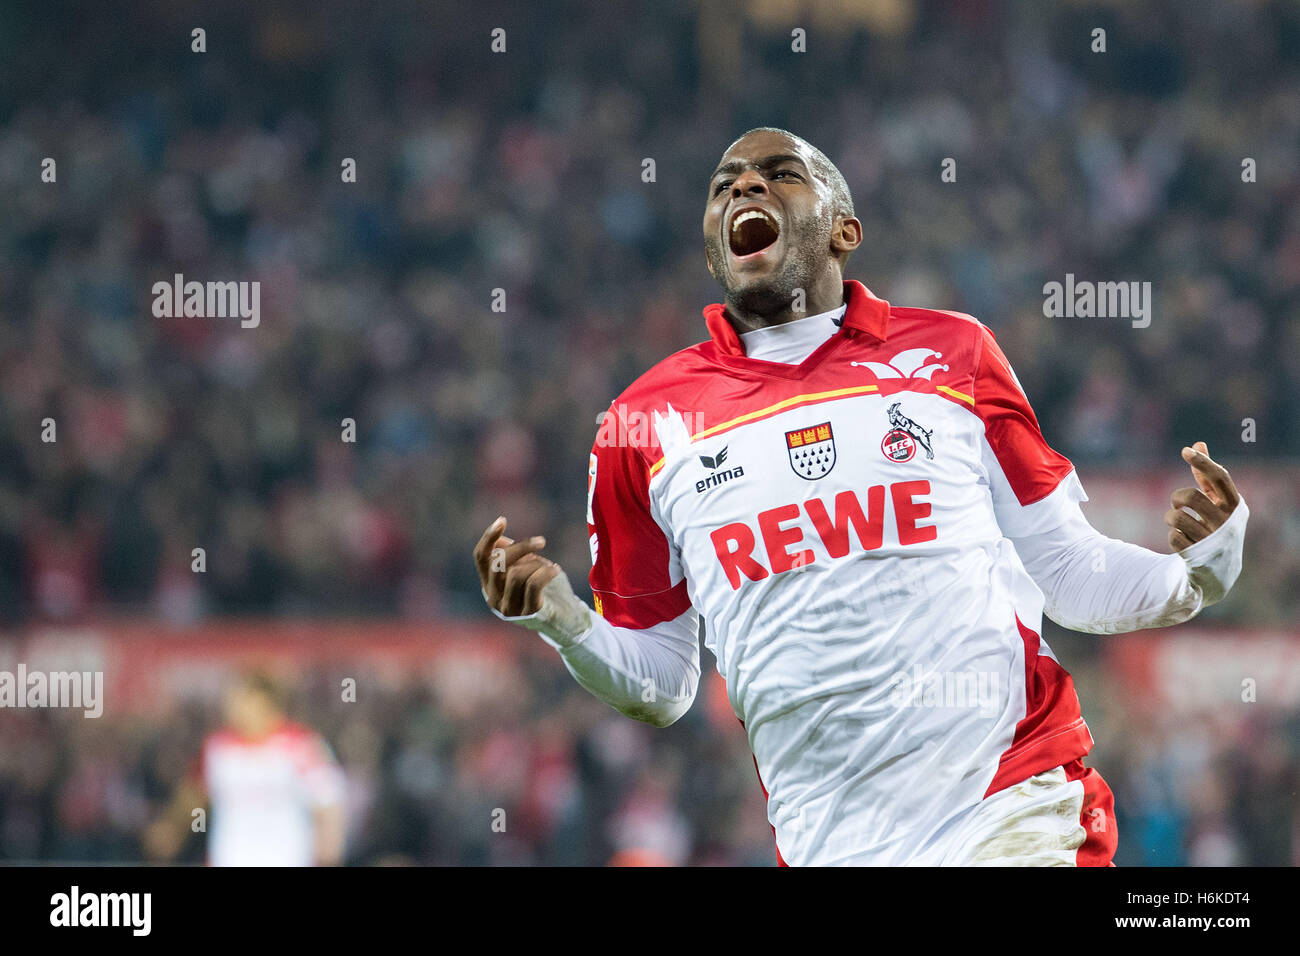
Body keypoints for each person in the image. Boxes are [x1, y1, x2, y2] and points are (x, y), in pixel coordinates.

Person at [473, 128, 1248, 866]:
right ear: (714, 246)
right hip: (826, 843)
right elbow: (664, 686)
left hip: (1011, 804)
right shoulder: (641, 423)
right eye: (723, 186)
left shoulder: (954, 353)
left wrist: (1195, 576)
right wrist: (565, 623)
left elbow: (1070, 572)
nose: (745, 183)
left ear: (844, 231)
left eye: (780, 173)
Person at [145, 669, 347, 866]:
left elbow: (328, 800)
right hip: (230, 857)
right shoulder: (217, 747)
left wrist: (329, 846)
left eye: (242, 700)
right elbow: (195, 794)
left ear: (266, 702)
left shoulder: (301, 745)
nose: (234, 707)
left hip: (287, 858)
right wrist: (173, 829)